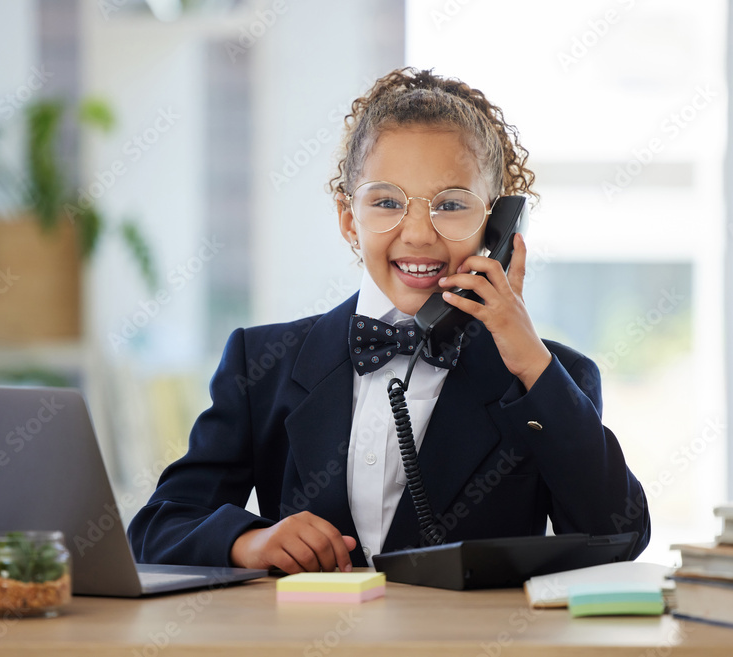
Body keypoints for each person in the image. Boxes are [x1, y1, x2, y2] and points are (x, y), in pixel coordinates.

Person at [127, 67, 650, 574]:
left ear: (498, 225)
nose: (419, 234)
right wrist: (249, 541)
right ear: (348, 219)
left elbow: (617, 535)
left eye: (450, 205)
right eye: (386, 202)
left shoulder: (548, 376)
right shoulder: (263, 364)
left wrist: (530, 363)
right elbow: (157, 529)